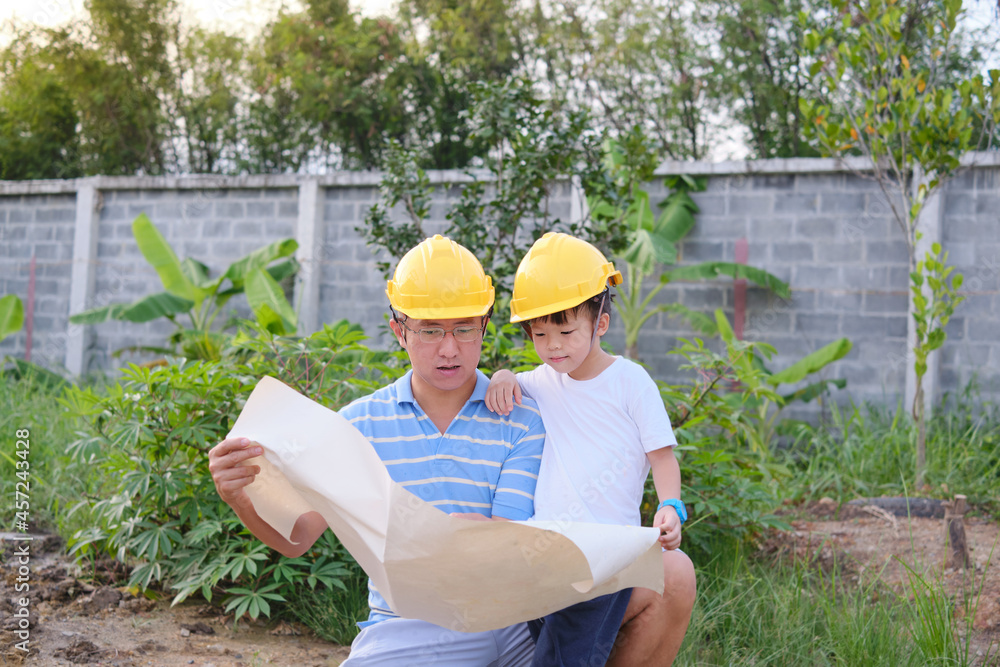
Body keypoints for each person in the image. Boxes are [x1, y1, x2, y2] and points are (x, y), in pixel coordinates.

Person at [209, 234, 547, 665]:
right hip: (410, 625)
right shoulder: (358, 426)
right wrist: (238, 497)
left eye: (464, 328)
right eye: (429, 330)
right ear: (399, 332)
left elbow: (510, 540)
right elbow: (297, 539)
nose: (449, 348)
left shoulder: (520, 418)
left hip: (515, 622)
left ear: (484, 326)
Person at [485, 231, 697, 667]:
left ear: (600, 322)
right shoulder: (542, 382)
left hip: (604, 556)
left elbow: (661, 456)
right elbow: (509, 382)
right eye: (540, 334)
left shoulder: (630, 382)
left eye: (565, 330)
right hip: (544, 559)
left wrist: (671, 505)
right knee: (554, 648)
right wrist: (504, 374)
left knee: (567, 656)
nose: (554, 346)